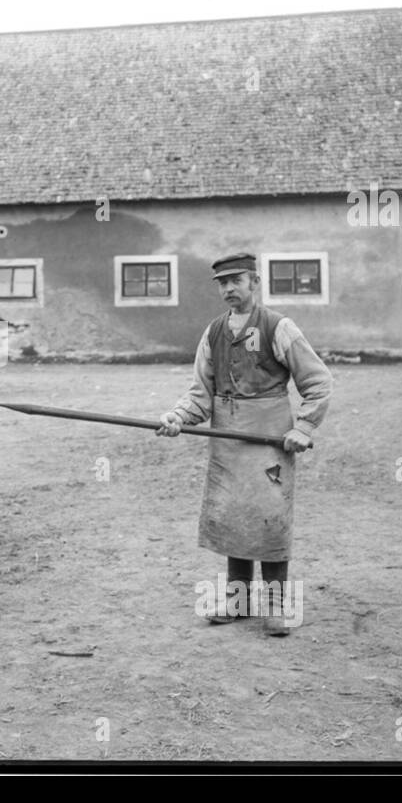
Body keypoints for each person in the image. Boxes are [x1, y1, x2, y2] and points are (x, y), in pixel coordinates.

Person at [157, 253, 332, 636]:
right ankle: (237, 604)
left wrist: (303, 427)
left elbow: (318, 382)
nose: (228, 289)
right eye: (222, 283)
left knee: (269, 520)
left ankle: (275, 608)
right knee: (233, 518)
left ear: (255, 282)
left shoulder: (279, 327)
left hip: (269, 440)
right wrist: (178, 417)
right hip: (227, 441)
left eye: (236, 281)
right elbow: (200, 394)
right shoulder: (214, 332)